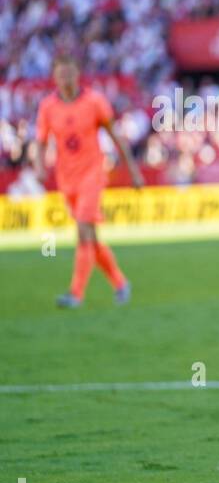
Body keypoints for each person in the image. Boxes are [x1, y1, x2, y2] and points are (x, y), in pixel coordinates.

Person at [33, 54, 143, 308]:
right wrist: (39, 167)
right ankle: (120, 282)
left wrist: (134, 171)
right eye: (61, 75)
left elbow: (116, 137)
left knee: (83, 230)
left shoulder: (94, 102)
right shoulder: (48, 107)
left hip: (92, 173)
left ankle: (76, 294)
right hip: (66, 177)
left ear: (78, 74)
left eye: (69, 74)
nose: (66, 80)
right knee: (90, 236)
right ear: (54, 78)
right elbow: (40, 142)